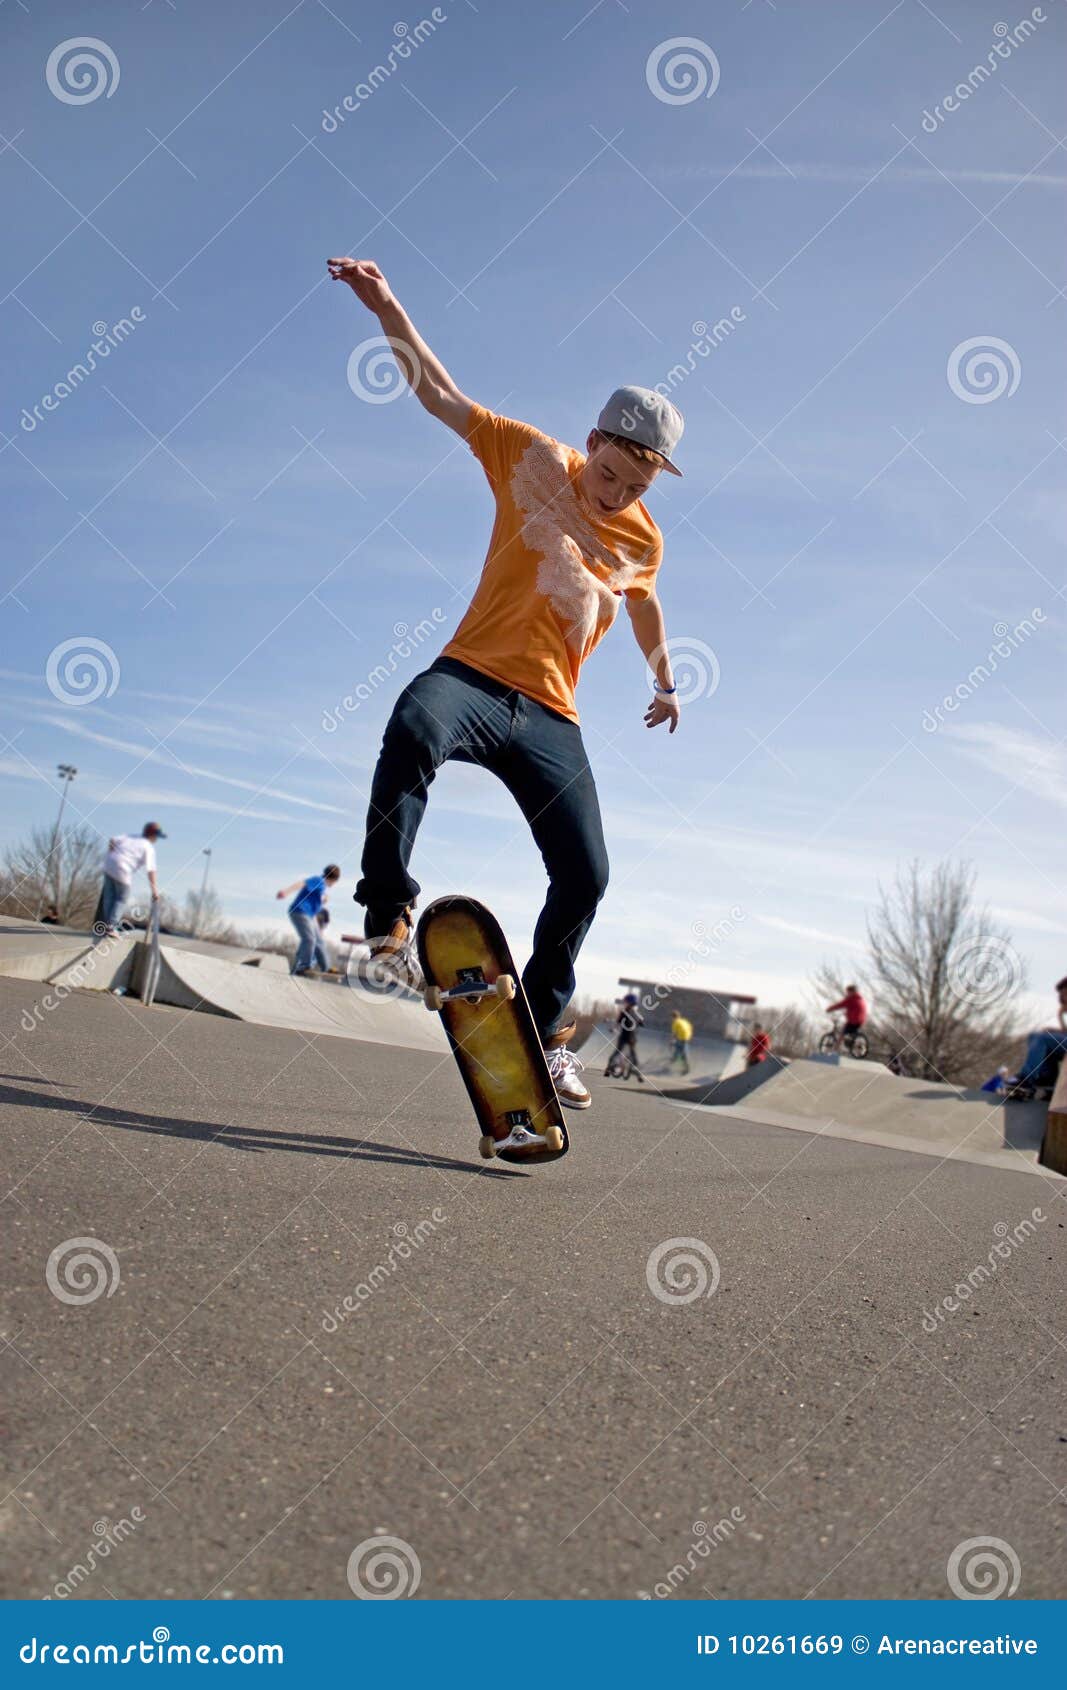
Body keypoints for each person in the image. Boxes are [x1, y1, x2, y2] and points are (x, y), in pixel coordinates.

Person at [328, 256, 685, 1111]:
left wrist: (664, 678)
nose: (615, 496)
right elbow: (440, 395)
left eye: (635, 487)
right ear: (590, 441)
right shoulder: (528, 457)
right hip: (474, 678)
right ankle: (387, 909)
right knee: (413, 725)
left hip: (551, 717)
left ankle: (547, 1030)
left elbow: (644, 603)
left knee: (586, 874)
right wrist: (386, 306)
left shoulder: (643, 537)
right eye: (609, 474)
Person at [94, 822, 164, 938]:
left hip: (109, 864)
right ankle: (111, 927)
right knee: (121, 898)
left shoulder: (130, 837)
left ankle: (107, 925)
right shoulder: (148, 847)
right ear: (153, 836)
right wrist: (154, 891)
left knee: (109, 896)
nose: (156, 840)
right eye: (156, 837)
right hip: (123, 869)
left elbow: (112, 840)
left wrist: (113, 855)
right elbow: (151, 870)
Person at [276, 866, 340, 976]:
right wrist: (286, 892)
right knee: (309, 939)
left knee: (319, 941)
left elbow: (314, 913)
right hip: (299, 911)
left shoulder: (322, 889)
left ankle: (326, 967)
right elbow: (301, 884)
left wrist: (318, 930)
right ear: (334, 880)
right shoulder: (318, 880)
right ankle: (304, 966)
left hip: (309, 916)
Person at [1010, 977, 1067, 1098]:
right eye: (1063, 995)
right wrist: (1057, 1029)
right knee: (1035, 1036)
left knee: (1043, 1039)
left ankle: (1026, 1079)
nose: (1064, 998)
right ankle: (1047, 1079)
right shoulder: (1063, 1011)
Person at [607, 993, 645, 1082]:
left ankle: (608, 1069)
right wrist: (639, 1023)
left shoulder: (624, 1012)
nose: (624, 1003)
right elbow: (641, 1023)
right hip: (632, 1038)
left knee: (617, 1051)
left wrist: (612, 1029)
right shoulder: (636, 1013)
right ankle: (639, 1075)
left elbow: (617, 1023)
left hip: (624, 1037)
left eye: (626, 1002)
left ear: (629, 1002)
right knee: (634, 1055)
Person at [826, 984, 867, 1050]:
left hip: (853, 1021)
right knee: (851, 1033)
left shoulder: (851, 999)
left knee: (842, 1035)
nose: (847, 993)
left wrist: (830, 1009)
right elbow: (856, 1009)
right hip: (860, 1020)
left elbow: (840, 1005)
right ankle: (855, 1042)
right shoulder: (860, 999)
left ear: (852, 991)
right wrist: (846, 1013)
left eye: (848, 992)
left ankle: (834, 1050)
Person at [312, 908, 332, 974]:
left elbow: (326, 923)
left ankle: (325, 967)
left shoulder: (324, 912)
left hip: (319, 931)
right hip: (314, 931)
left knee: (318, 949)